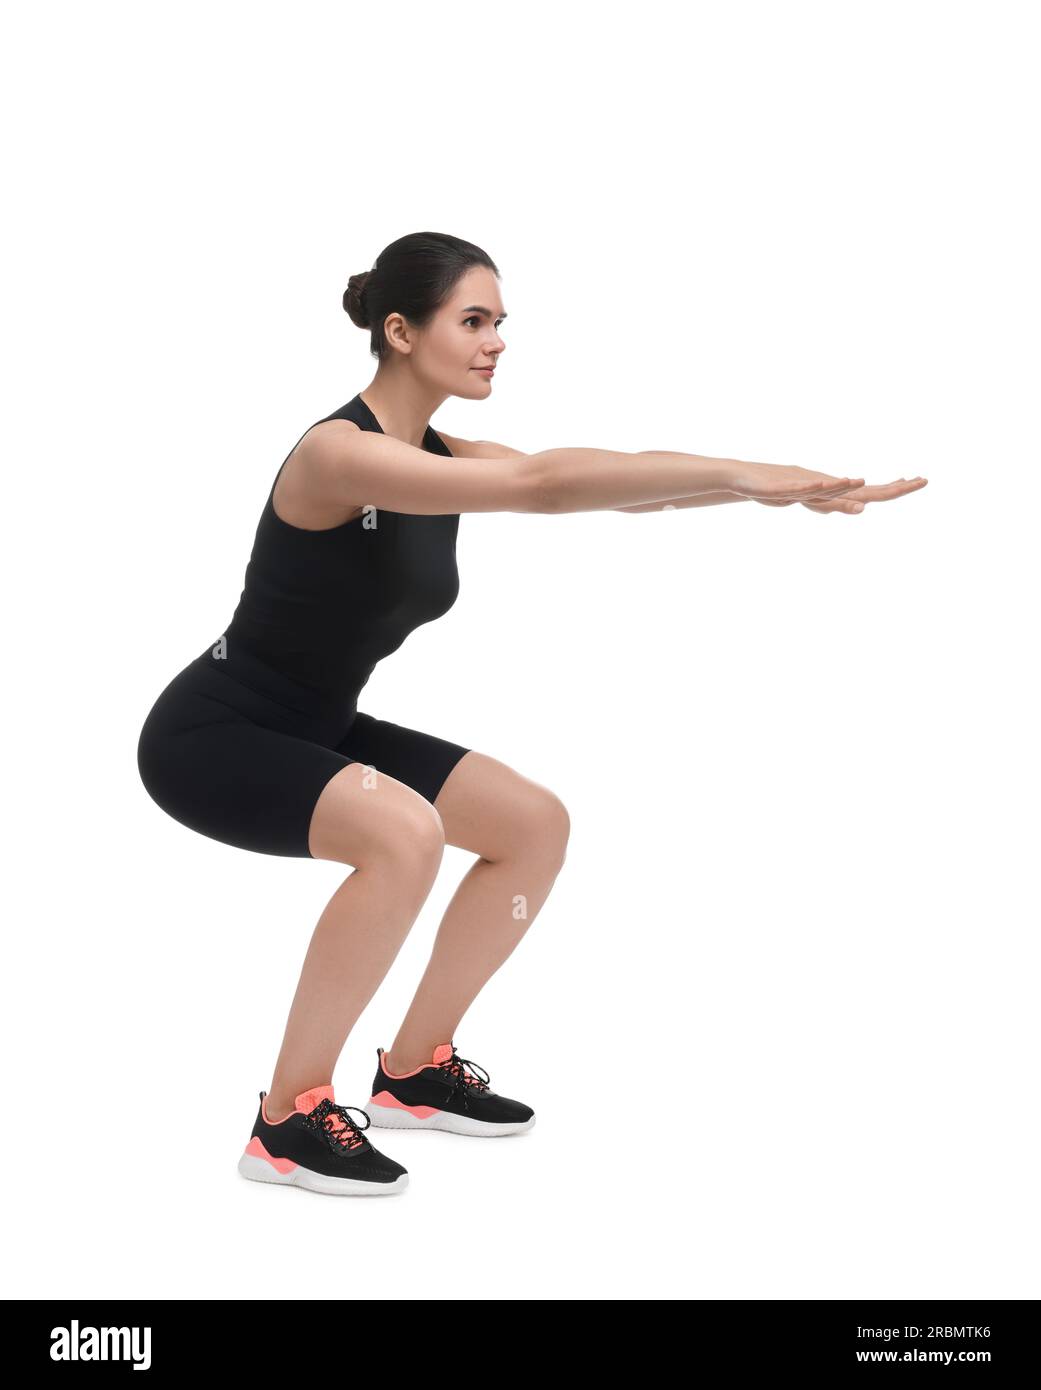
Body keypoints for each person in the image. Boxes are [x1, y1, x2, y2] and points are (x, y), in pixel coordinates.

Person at [136, 230, 927, 1197]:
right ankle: (287, 1118)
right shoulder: (337, 454)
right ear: (398, 330)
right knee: (404, 834)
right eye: (473, 320)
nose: (496, 340)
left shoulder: (441, 453)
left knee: (530, 824)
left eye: (499, 322)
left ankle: (415, 1067)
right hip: (213, 734)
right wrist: (741, 472)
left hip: (315, 723)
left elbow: (596, 484)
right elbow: (537, 484)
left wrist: (751, 485)